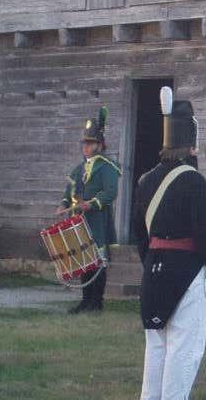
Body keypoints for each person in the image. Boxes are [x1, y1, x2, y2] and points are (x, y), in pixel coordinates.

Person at [133, 87, 206, 400]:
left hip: (153, 273)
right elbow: (205, 236)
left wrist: (152, 262)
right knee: (183, 358)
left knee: (155, 357)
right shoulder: (195, 181)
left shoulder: (145, 180)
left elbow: (139, 236)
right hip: (188, 274)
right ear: (191, 144)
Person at [58, 106, 122, 314]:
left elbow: (110, 192)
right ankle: (85, 301)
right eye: (84, 143)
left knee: (98, 262)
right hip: (79, 220)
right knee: (84, 261)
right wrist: (64, 204)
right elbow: (70, 191)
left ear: (99, 145)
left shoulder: (107, 166)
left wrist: (92, 203)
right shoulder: (78, 169)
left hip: (97, 220)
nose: (85, 147)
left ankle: (97, 302)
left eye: (90, 143)